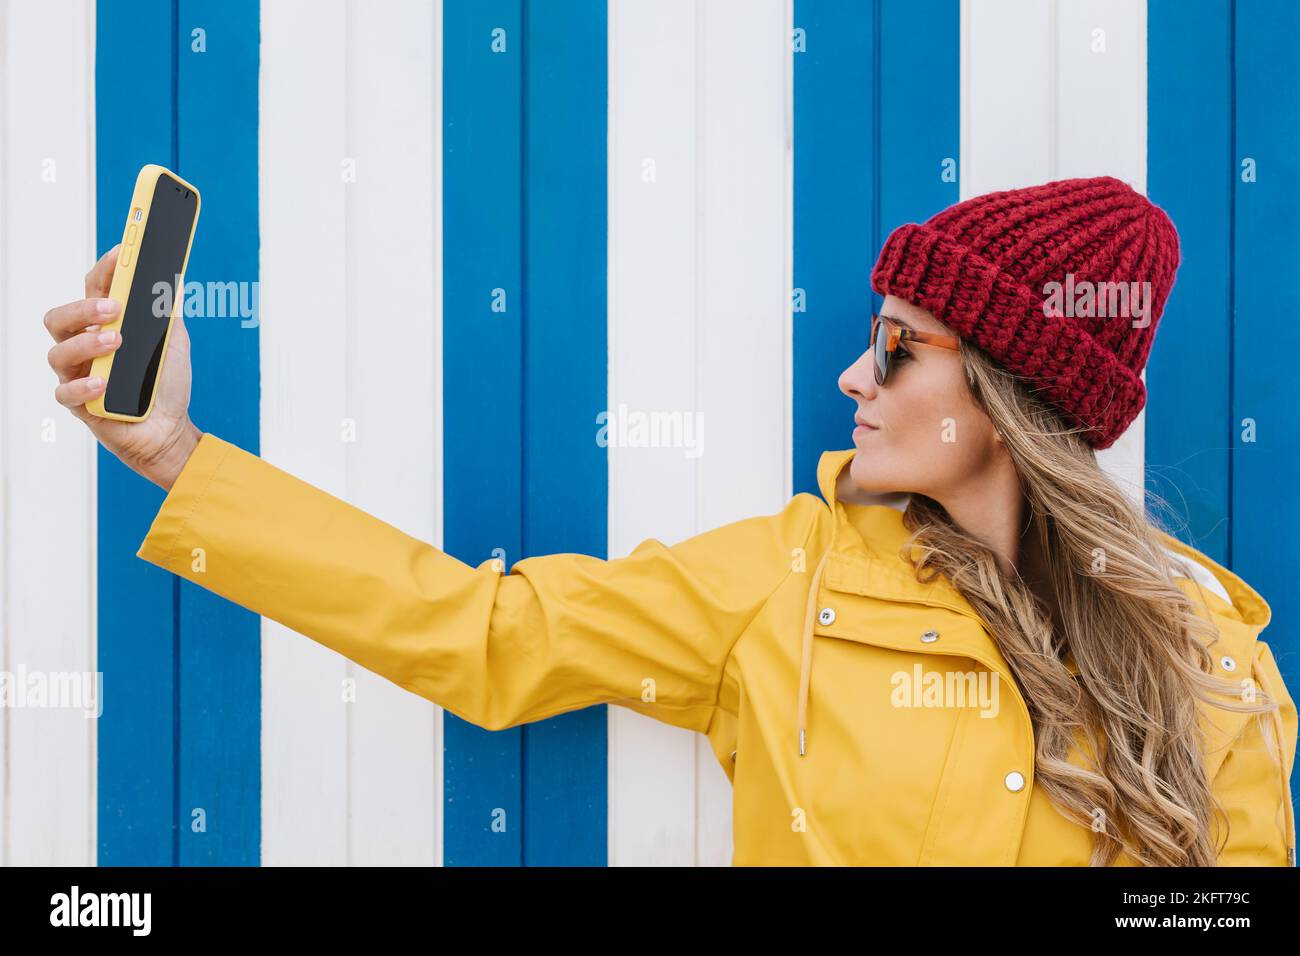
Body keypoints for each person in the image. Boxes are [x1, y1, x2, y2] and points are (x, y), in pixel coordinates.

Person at [44, 175, 1295, 866]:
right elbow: (487, 633)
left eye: (898, 349)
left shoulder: (1200, 650)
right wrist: (181, 458)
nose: (854, 378)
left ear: (1009, 399)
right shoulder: (784, 583)